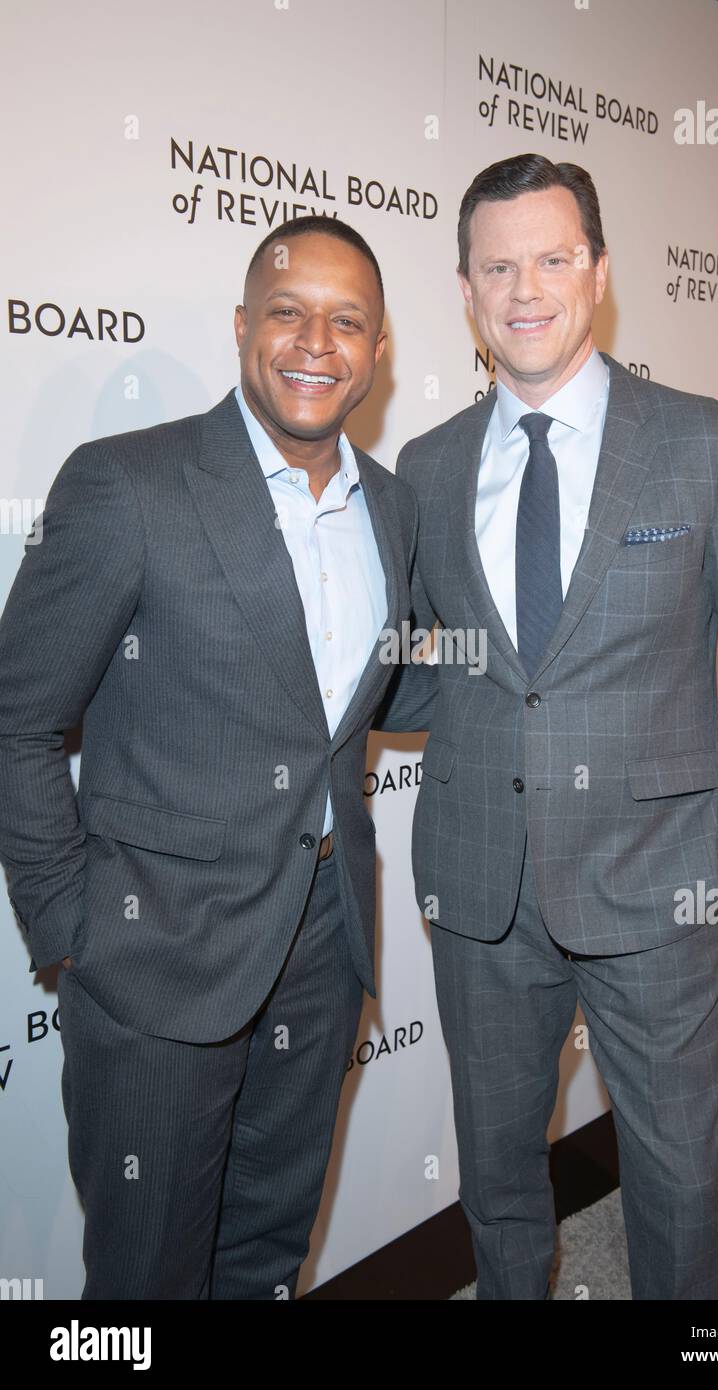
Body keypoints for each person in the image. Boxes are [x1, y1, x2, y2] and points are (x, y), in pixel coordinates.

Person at [377, 153, 718, 1300]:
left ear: (599, 271)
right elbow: (409, 670)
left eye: (553, 258)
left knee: (675, 1180)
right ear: (466, 291)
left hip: (656, 885)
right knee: (499, 1178)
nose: (526, 288)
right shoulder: (421, 470)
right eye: (497, 266)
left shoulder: (702, 444)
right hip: (481, 895)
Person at [0, 214, 417, 1299]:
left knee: (267, 1258)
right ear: (243, 327)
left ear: (376, 352)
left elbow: (367, 699)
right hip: (156, 961)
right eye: (287, 313)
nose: (314, 343)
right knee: (143, 1279)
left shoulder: (396, 508)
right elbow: (17, 717)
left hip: (321, 953)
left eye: (345, 322)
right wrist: (70, 929)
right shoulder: (126, 484)